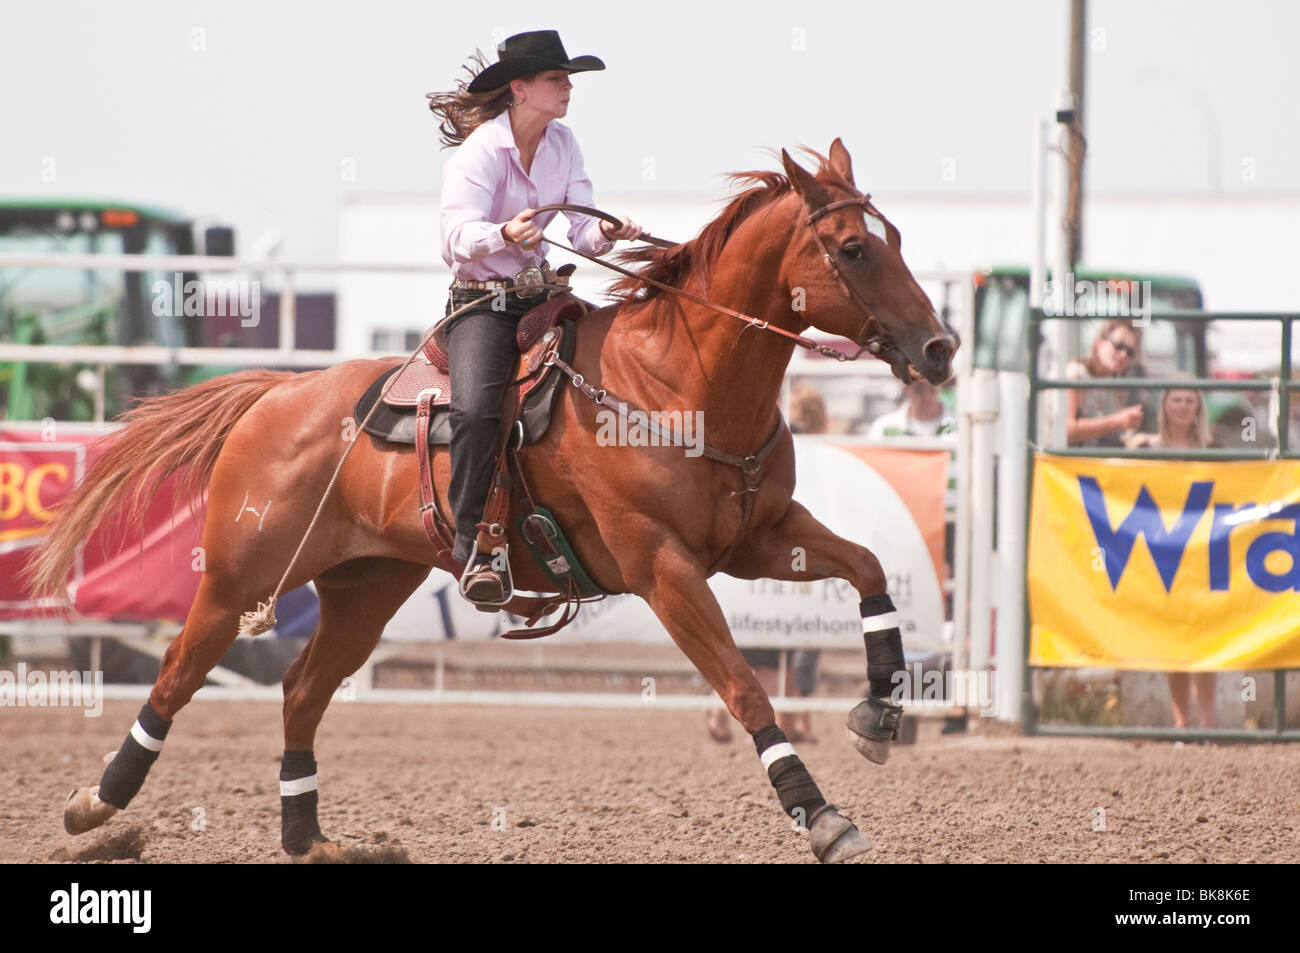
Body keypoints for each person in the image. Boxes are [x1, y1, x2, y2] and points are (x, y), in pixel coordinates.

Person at [427, 31, 643, 605]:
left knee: (613, 375)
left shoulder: (563, 143)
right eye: (557, 78)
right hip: (484, 304)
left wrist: (608, 232)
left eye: (567, 78)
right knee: (474, 412)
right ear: (520, 89)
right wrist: (501, 233)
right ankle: (472, 542)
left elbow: (580, 231)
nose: (568, 87)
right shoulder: (478, 153)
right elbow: (454, 239)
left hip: (544, 295)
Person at [707, 385, 828, 744]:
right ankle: (783, 722)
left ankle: (725, 712)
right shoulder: (805, 451)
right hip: (786, 549)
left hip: (755, 549)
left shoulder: (757, 440)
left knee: (755, 649)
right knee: (790, 650)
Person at [1131, 386, 1218, 730]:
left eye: (1189, 400)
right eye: (1176, 399)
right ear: (1164, 405)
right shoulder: (1147, 448)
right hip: (1160, 554)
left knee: (1206, 643)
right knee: (1174, 644)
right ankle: (1183, 724)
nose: (1182, 406)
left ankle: (1208, 726)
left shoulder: (1215, 449)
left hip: (1204, 553)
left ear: (1199, 407)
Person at [1066, 320, 1145, 447]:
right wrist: (1117, 420)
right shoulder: (1077, 374)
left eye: (1130, 352)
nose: (1124, 354)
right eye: (1118, 346)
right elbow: (1069, 430)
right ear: (1099, 343)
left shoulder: (1110, 386)